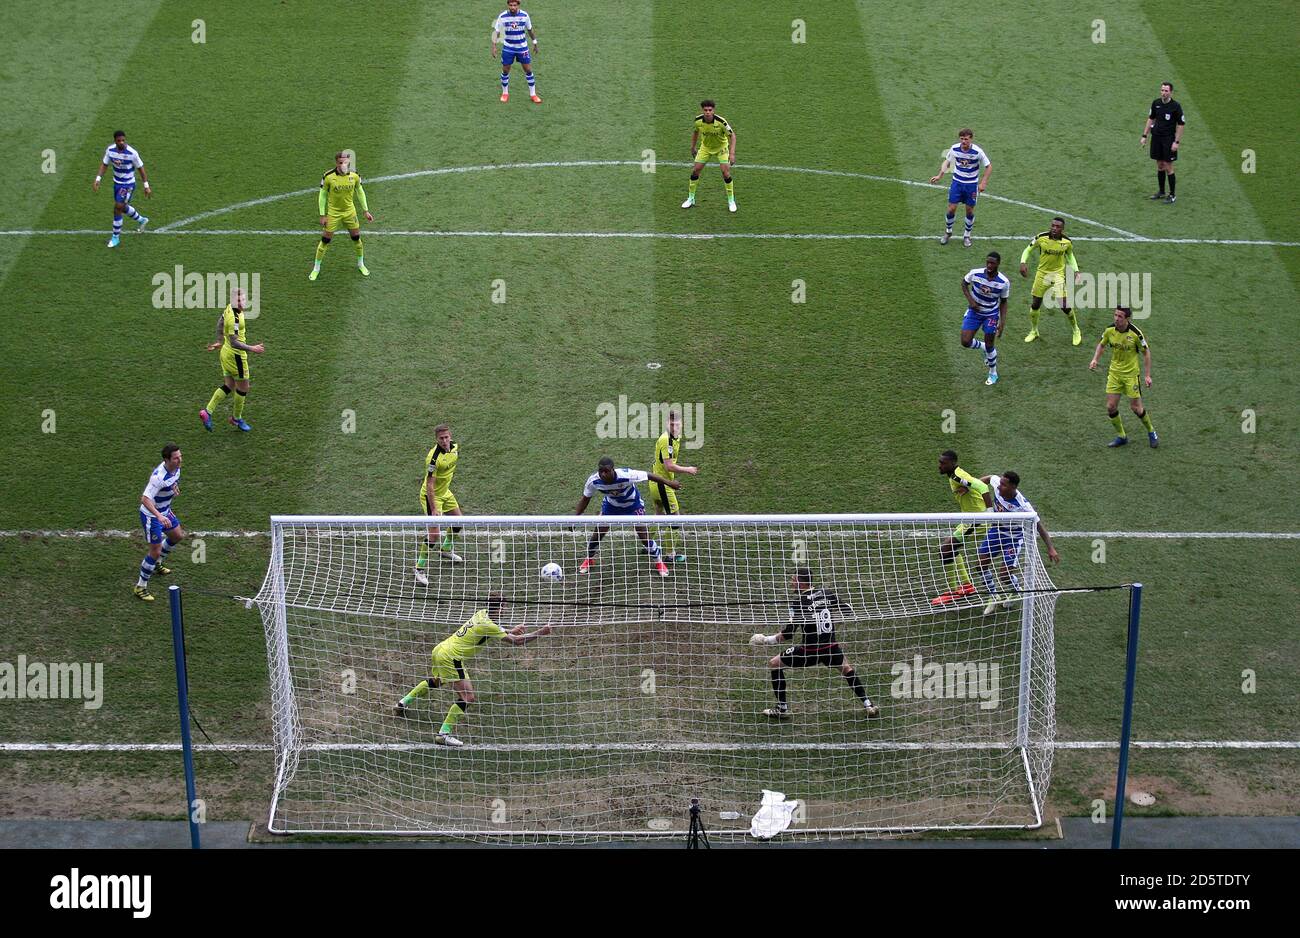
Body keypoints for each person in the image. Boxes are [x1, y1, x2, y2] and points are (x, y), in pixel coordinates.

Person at [393, 593, 552, 747]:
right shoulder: (489, 625)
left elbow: (492, 629)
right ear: (500, 608)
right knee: (468, 697)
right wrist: (541, 632)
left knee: (437, 681)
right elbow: (516, 642)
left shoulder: (482, 614)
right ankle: (443, 734)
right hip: (451, 657)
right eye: (504, 607)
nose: (506, 610)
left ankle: (403, 702)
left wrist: (510, 631)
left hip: (440, 649)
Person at [749, 568, 879, 719]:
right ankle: (868, 705)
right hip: (831, 648)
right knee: (847, 669)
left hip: (809, 651)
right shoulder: (827, 593)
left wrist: (765, 640)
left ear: (801, 583)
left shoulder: (798, 603)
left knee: (774, 663)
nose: (791, 583)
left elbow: (788, 634)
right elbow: (847, 609)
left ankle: (782, 709)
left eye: (793, 580)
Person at [573, 457, 681, 577]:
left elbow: (649, 475)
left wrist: (670, 483)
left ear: (613, 470)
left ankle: (659, 562)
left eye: (606, 471)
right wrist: (575, 518)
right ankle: (589, 559)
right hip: (611, 506)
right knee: (598, 533)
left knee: (644, 536)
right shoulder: (593, 481)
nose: (603, 474)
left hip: (632, 505)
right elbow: (585, 499)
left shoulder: (627, 475)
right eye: (601, 471)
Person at [976, 471, 1060, 615]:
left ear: (1013, 487)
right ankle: (993, 596)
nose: (999, 487)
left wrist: (1051, 548)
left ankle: (1016, 591)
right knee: (980, 565)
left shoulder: (1023, 506)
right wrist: (970, 486)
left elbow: (1041, 528)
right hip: (996, 531)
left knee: (1004, 576)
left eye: (1004, 485)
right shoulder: (997, 484)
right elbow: (988, 478)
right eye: (1000, 483)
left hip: (1013, 539)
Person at [1089, 307, 1157, 448]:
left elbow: (1146, 353)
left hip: (1131, 375)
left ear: (1127, 319)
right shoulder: (1109, 330)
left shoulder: (1136, 334)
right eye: (1115, 315)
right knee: (1111, 407)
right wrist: (1095, 359)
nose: (1116, 319)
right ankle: (1122, 436)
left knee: (1136, 408)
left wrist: (1147, 375)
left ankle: (1151, 431)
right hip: (1114, 374)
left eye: (1120, 316)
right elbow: (1101, 345)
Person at [932, 450, 993, 607]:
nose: (939, 465)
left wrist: (990, 512)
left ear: (952, 463)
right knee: (950, 549)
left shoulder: (957, 476)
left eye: (943, 463)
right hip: (969, 519)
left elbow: (980, 486)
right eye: (939, 462)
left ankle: (953, 592)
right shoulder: (956, 475)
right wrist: (969, 488)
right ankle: (966, 586)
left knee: (945, 549)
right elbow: (978, 482)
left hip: (978, 520)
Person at [200, 287, 264, 432]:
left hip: (225, 353)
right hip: (236, 356)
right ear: (233, 301)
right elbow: (235, 342)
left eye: (243, 299)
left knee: (229, 385)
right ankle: (236, 418)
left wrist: (219, 340)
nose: (241, 303)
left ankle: (207, 411)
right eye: (238, 300)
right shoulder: (235, 317)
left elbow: (220, 322)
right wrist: (253, 348)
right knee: (243, 387)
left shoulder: (229, 308)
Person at [310, 151, 373, 281]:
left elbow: (360, 192)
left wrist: (366, 210)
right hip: (333, 213)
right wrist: (322, 215)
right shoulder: (328, 176)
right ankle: (316, 268)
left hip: (350, 212)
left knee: (356, 238)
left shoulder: (355, 176)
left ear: (349, 162)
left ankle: (361, 264)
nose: (343, 165)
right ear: (336, 163)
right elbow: (322, 195)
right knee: (325, 241)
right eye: (340, 162)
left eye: (345, 162)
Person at [134, 444, 185, 602]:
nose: (179, 460)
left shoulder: (176, 469)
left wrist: (174, 488)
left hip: (164, 511)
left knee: (177, 536)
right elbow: (145, 499)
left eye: (180, 456)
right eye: (176, 458)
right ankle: (140, 587)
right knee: (154, 551)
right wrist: (158, 516)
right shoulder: (158, 478)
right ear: (166, 460)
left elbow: (171, 482)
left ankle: (157, 564)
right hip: (152, 516)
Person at [1020, 217, 1082, 345]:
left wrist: (1076, 270)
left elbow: (1070, 255)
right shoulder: (1041, 237)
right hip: (1042, 274)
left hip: (1057, 275)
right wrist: (1023, 262)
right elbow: (1028, 249)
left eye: (1057, 226)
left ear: (1062, 229)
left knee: (1064, 305)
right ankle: (1034, 331)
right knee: (1035, 304)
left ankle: (1076, 329)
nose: (1054, 228)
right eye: (1053, 225)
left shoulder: (1067, 242)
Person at [415, 423, 464, 582]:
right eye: (441, 438)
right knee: (434, 535)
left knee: (458, 522)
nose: (444, 440)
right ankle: (419, 568)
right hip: (432, 496)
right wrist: (434, 508)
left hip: (445, 493)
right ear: (436, 439)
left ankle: (446, 550)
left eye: (446, 437)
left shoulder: (455, 447)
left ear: (450, 436)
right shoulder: (433, 458)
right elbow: (429, 485)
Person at [650, 411, 698, 563]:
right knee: (675, 519)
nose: (674, 427)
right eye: (671, 424)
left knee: (658, 514)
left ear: (681, 424)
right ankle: (670, 555)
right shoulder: (666, 440)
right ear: (666, 424)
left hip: (656, 482)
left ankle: (647, 545)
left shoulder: (675, 437)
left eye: (677, 424)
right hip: (662, 485)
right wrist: (688, 469)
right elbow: (669, 466)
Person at [930, 128, 990, 246]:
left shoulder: (978, 152)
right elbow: (947, 162)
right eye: (962, 139)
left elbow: (989, 166)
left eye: (966, 139)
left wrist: (983, 182)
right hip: (957, 183)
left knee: (969, 210)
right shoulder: (954, 148)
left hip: (971, 185)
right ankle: (948, 232)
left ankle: (967, 235)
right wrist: (939, 175)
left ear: (971, 139)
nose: (964, 141)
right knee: (951, 208)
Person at [92, 130, 151, 248]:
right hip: (117, 184)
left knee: (117, 207)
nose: (121, 142)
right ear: (115, 141)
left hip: (128, 184)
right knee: (122, 208)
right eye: (119, 140)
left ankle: (115, 237)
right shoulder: (110, 151)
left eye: (123, 140)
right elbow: (104, 164)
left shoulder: (132, 153)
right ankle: (142, 220)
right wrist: (98, 179)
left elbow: (141, 168)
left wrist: (146, 186)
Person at [960, 251, 1010, 385]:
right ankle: (982, 347)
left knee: (990, 343)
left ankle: (993, 372)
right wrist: (971, 301)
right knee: (965, 341)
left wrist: (1002, 322)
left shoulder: (1003, 282)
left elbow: (1004, 302)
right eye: (988, 262)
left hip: (991, 314)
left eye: (992, 263)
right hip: (974, 312)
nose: (989, 265)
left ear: (998, 264)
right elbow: (964, 284)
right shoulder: (975, 273)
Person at [682, 100, 737, 212]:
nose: (707, 112)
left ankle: (731, 201)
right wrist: (692, 147)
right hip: (706, 148)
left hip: (721, 148)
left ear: (713, 110)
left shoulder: (721, 122)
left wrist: (731, 154)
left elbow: (733, 136)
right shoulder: (698, 121)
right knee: (695, 171)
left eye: (710, 110)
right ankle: (691, 198)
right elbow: (695, 132)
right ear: (702, 110)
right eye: (705, 110)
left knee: (725, 173)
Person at [1140, 82, 1185, 203]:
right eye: (1162, 90)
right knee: (1160, 165)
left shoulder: (1176, 106)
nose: (1164, 93)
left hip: (1168, 139)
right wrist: (1144, 135)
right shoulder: (1156, 103)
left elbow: (1181, 125)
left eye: (1166, 91)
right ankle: (1161, 191)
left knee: (1168, 166)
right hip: (1156, 138)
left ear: (1171, 92)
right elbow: (1151, 119)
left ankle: (1172, 195)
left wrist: (1176, 142)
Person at [492, 0, 541, 103]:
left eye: (515, 5)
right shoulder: (502, 16)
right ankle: (505, 93)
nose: (512, 7)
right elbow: (496, 32)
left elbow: (530, 30)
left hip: (522, 47)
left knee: (528, 70)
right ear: (508, 5)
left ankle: (533, 94)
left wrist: (535, 43)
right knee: (505, 70)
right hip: (508, 48)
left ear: (518, 5)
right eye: (510, 5)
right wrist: (494, 46)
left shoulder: (525, 15)